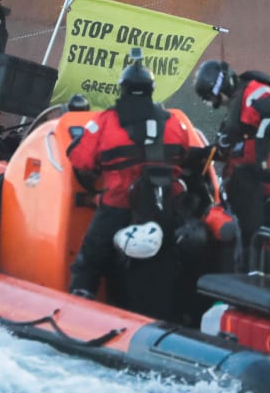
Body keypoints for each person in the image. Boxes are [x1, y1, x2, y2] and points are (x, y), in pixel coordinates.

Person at [67, 50, 192, 320]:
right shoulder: (173, 123)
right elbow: (185, 154)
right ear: (151, 89)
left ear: (122, 88)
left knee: (90, 257)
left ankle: (80, 304)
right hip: (165, 208)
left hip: (118, 204)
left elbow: (80, 158)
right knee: (173, 260)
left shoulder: (105, 121)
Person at [193, 59, 270, 272]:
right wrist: (197, 154)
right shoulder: (238, 108)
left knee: (264, 244)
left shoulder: (254, 93)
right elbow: (228, 147)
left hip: (265, 187)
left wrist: (260, 161)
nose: (217, 102)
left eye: (214, 97)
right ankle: (249, 273)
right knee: (246, 243)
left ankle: (266, 279)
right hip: (245, 189)